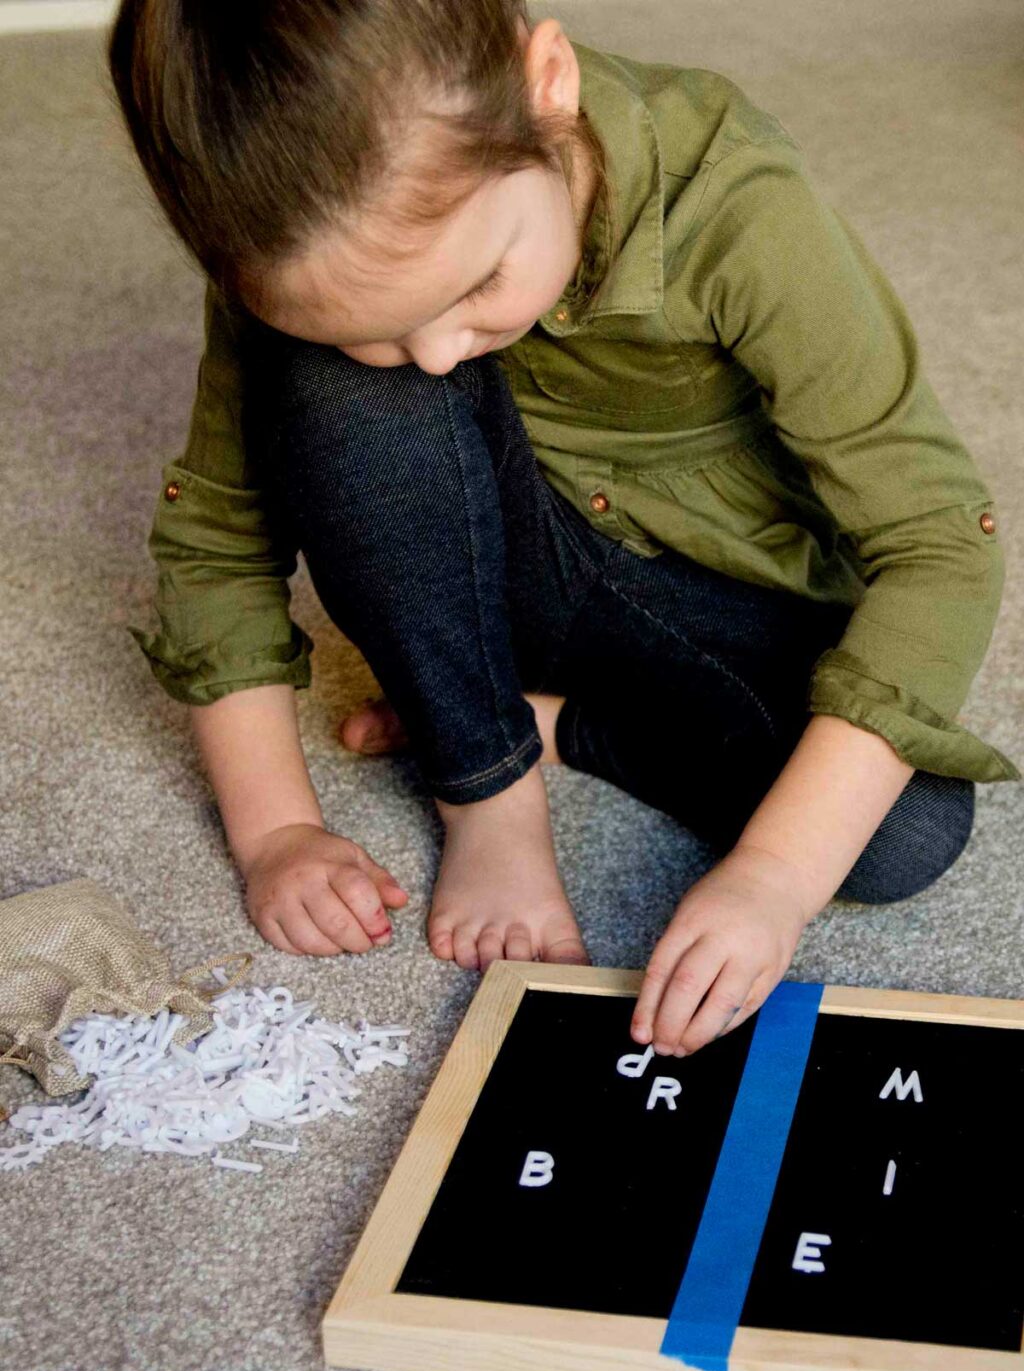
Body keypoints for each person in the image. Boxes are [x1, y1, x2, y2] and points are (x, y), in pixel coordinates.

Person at [108, 1, 1018, 1060]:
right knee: (338, 389)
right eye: (377, 331)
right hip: (484, 569)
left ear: (548, 87)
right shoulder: (297, 247)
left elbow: (943, 546)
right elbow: (219, 531)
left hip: (706, 598)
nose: (442, 356)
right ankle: (485, 783)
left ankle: (544, 720)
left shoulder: (731, 198)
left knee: (903, 830)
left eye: (475, 286)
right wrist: (275, 833)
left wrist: (771, 878)